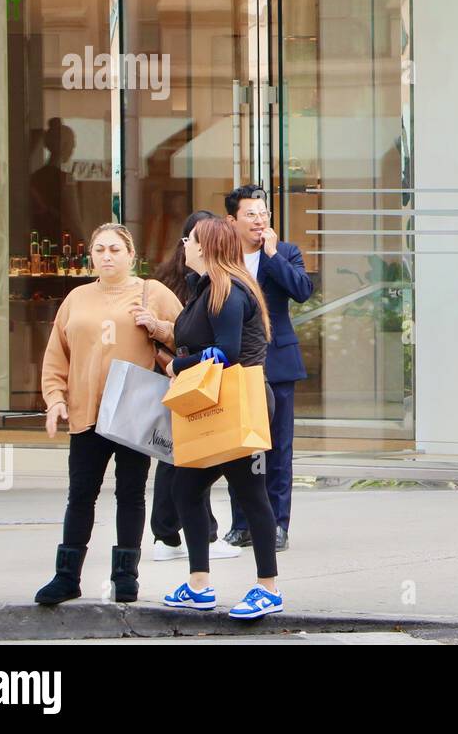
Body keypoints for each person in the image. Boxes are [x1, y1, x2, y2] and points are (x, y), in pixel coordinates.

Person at [35, 223, 182, 605]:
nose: (107, 256)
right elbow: (56, 356)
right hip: (86, 412)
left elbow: (190, 336)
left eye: (115, 249)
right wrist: (56, 398)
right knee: (80, 495)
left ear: (131, 255)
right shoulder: (76, 298)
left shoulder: (154, 293)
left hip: (133, 412)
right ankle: (67, 577)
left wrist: (159, 326)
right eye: (99, 250)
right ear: (91, 257)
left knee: (131, 495)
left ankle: (126, 577)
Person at [163, 218, 284, 619]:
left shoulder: (227, 291)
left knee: (251, 494)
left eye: (191, 240)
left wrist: (180, 364)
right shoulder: (205, 290)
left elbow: (226, 352)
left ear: (207, 247)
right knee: (185, 488)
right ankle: (199, 584)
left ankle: (268, 588)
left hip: (238, 403)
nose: (185, 244)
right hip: (214, 404)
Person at [222, 185, 313, 552]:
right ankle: (242, 524)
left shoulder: (286, 252)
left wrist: (273, 254)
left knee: (278, 449)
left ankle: (277, 525)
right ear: (232, 221)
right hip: (237, 364)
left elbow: (303, 290)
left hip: (277, 363)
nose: (259, 220)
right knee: (238, 448)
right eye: (251, 214)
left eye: (263, 214)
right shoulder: (224, 258)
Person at [147, 209, 241, 563]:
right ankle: (181, 537)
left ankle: (174, 537)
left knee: (182, 459)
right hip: (189, 381)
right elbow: (211, 345)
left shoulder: (211, 285)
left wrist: (175, 356)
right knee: (185, 459)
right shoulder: (191, 285)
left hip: (189, 377)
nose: (188, 245)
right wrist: (176, 361)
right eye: (191, 238)